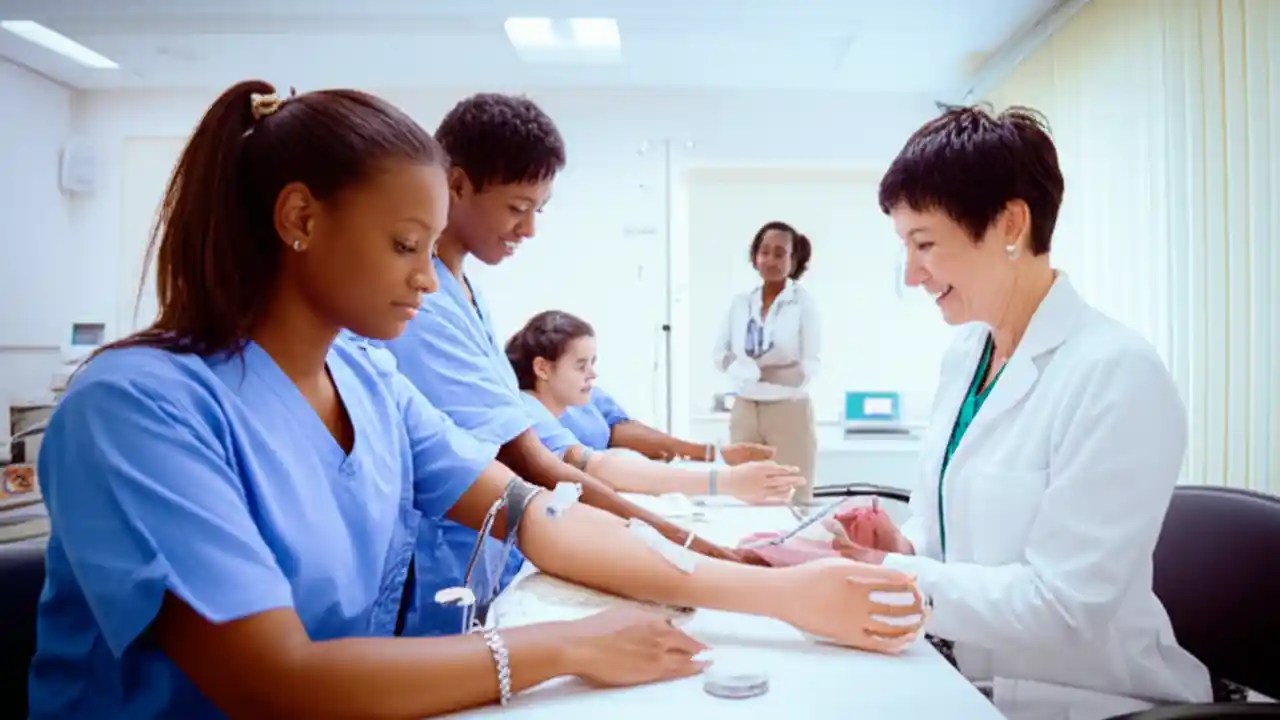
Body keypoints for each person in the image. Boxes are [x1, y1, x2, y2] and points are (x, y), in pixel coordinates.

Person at [27, 80, 924, 719]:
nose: (427, 280)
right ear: (299, 220)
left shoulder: (369, 379)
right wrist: (565, 648)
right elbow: (272, 681)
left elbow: (538, 513)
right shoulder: (138, 409)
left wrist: (780, 595)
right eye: (404, 245)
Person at [824, 105, 1211, 715]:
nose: (912, 273)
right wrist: (899, 547)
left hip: (1091, 699)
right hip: (969, 677)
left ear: (1009, 223)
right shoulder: (966, 355)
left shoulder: (1116, 373)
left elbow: (1064, 606)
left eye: (924, 244)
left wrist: (895, 575)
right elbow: (961, 545)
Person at [381, 92, 804, 606]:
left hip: (497, 545)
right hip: (444, 563)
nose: (530, 229)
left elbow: (572, 460)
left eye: (539, 209)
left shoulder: (464, 292)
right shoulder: (424, 307)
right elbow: (541, 466)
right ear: (457, 185)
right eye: (517, 208)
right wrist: (693, 544)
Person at [504, 309, 792, 504]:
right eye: (581, 365)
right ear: (542, 368)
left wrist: (714, 461)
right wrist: (724, 482)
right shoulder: (527, 411)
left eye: (593, 363)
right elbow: (599, 465)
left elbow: (612, 452)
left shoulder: (581, 400)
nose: (592, 374)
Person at [713, 221, 822, 506]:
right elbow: (720, 355)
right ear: (754, 257)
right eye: (764, 252)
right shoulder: (740, 303)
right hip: (745, 409)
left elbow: (809, 366)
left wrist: (759, 372)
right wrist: (749, 371)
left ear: (794, 260)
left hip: (788, 411)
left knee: (792, 497)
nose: (770, 260)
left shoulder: (803, 304)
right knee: (743, 495)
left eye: (779, 253)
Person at [562, 386, 775, 465]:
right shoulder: (534, 414)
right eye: (580, 364)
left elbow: (619, 428)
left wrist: (704, 452)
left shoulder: (591, 395)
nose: (591, 373)